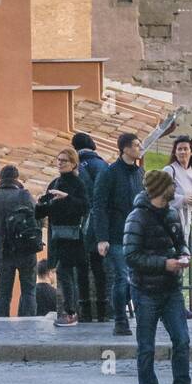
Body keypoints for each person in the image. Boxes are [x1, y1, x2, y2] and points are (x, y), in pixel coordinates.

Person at [124, 170, 192, 384]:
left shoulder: (171, 214)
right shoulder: (136, 218)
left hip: (171, 289)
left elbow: (179, 242)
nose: (174, 189)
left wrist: (184, 255)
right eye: (170, 185)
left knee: (182, 340)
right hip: (145, 290)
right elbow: (130, 256)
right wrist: (163, 264)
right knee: (146, 345)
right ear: (160, 189)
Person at [92, 132, 145, 336]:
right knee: (122, 278)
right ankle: (120, 320)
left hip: (137, 235)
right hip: (115, 234)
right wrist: (102, 237)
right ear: (125, 149)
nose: (139, 148)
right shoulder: (109, 173)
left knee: (136, 278)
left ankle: (138, 316)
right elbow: (99, 205)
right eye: (136, 145)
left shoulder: (139, 173)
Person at [35, 147, 90, 327]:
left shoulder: (78, 183)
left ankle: (71, 312)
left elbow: (84, 207)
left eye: (64, 160)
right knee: (63, 273)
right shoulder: (55, 183)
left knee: (65, 273)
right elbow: (43, 212)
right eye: (58, 160)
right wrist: (41, 204)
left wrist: (66, 198)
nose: (60, 163)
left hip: (72, 235)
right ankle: (69, 311)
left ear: (73, 163)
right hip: (56, 234)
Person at [0, 164, 40, 317]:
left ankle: (1, 325)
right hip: (26, 249)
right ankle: (28, 323)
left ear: (1, 178)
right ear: (16, 178)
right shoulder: (25, 196)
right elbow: (38, 219)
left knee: (3, 293)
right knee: (28, 290)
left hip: (2, 250)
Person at [72, 132, 109, 322]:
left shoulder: (74, 166)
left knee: (81, 268)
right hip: (100, 222)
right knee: (99, 267)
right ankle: (104, 310)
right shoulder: (102, 165)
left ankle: (85, 310)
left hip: (79, 223)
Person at [162, 134, 192, 243]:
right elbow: (161, 195)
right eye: (179, 149)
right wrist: (183, 199)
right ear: (175, 152)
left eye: (185, 149)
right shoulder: (169, 170)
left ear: (191, 152)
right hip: (171, 221)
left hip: (188, 221)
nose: (182, 152)